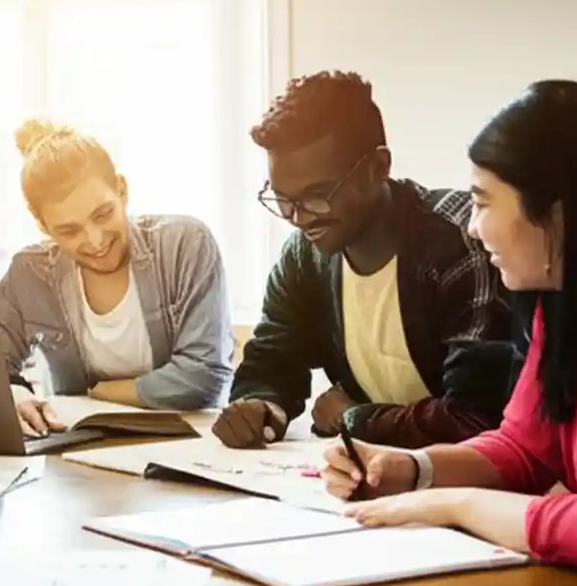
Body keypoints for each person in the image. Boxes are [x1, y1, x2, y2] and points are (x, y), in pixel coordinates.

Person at [324, 80, 577, 578]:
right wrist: (413, 469)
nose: (471, 226)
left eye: (483, 202)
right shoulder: (560, 314)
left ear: (557, 213)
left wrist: (456, 505)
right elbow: (524, 449)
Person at [214, 71, 512, 450]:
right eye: (284, 200)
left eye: (318, 195)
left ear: (378, 168)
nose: (300, 218)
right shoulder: (304, 255)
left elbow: (477, 418)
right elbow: (275, 354)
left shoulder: (461, 242)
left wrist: (356, 418)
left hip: (476, 487)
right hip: (380, 480)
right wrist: (261, 405)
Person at [0, 120, 234, 436]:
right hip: (78, 449)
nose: (95, 241)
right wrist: (15, 392)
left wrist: (98, 392)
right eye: (69, 231)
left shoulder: (185, 245)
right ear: (43, 226)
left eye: (103, 214)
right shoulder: (29, 274)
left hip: (188, 441)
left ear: (121, 190)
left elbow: (205, 376)